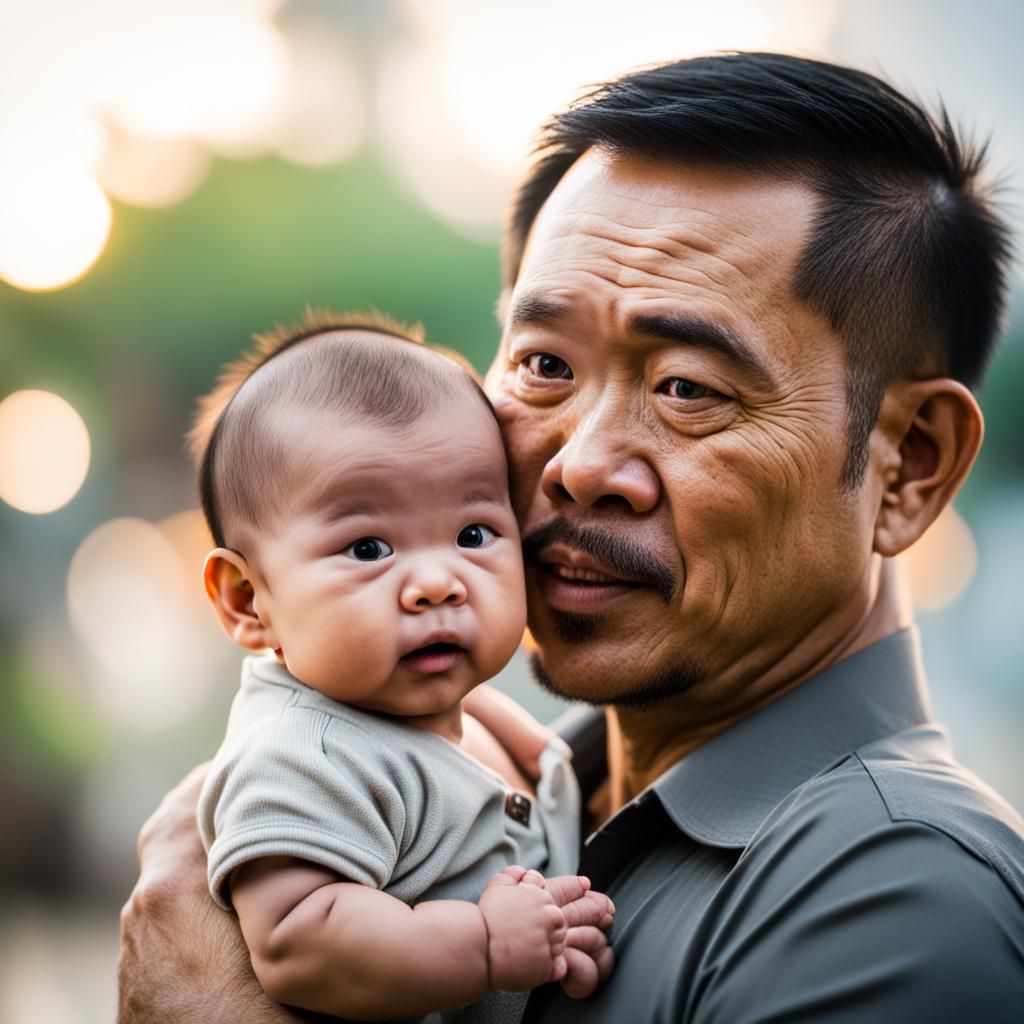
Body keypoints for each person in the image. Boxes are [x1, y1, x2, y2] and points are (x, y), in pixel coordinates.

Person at [119, 52, 1024, 1023]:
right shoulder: (502, 779)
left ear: (910, 462)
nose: (581, 463)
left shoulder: (896, 902)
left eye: (687, 387)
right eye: (544, 363)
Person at [188, 313, 615, 1021]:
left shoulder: (456, 709)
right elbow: (299, 936)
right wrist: (485, 944)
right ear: (248, 601)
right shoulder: (300, 754)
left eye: (473, 534)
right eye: (368, 549)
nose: (436, 584)